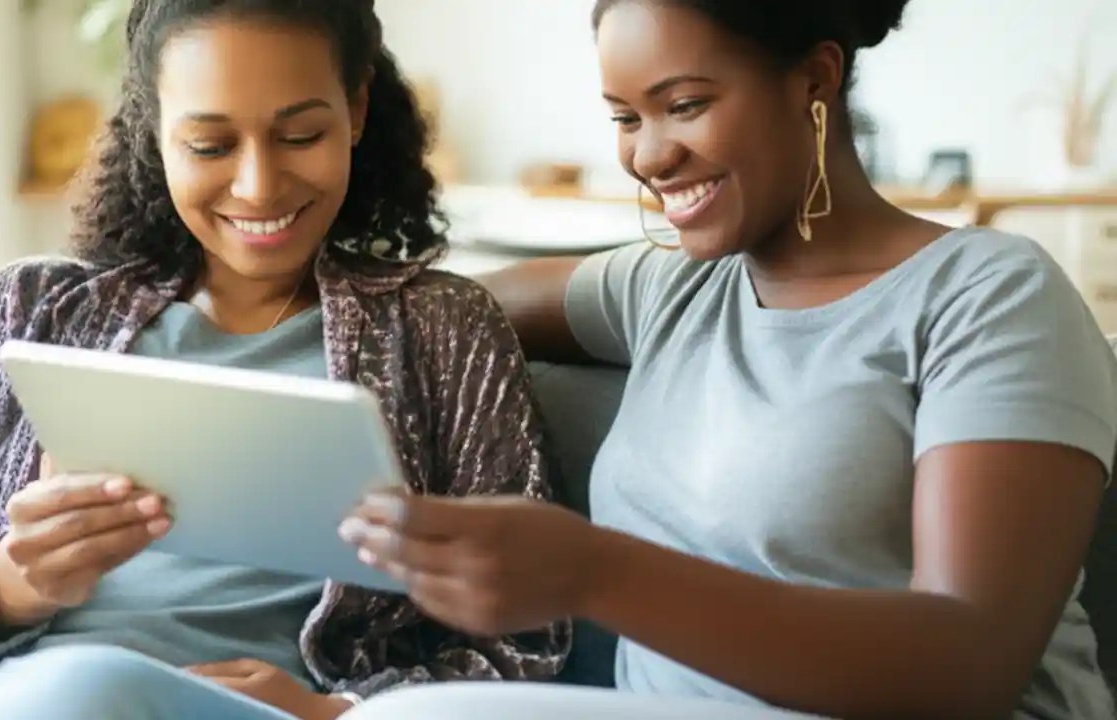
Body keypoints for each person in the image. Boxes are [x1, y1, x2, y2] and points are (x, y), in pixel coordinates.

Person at [340, 1, 1117, 718]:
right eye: (624, 117)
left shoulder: (989, 296)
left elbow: (970, 662)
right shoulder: (668, 287)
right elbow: (427, 311)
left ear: (815, 79)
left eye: (685, 106)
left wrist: (593, 572)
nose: (649, 155)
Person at [0, 1, 569, 718]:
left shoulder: (443, 335)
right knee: (80, 690)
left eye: (300, 134)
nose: (258, 185)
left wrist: (340, 711)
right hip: (12, 700)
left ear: (356, 108)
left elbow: (525, 636)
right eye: (211, 146)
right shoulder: (30, 311)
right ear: (154, 132)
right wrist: (9, 579)